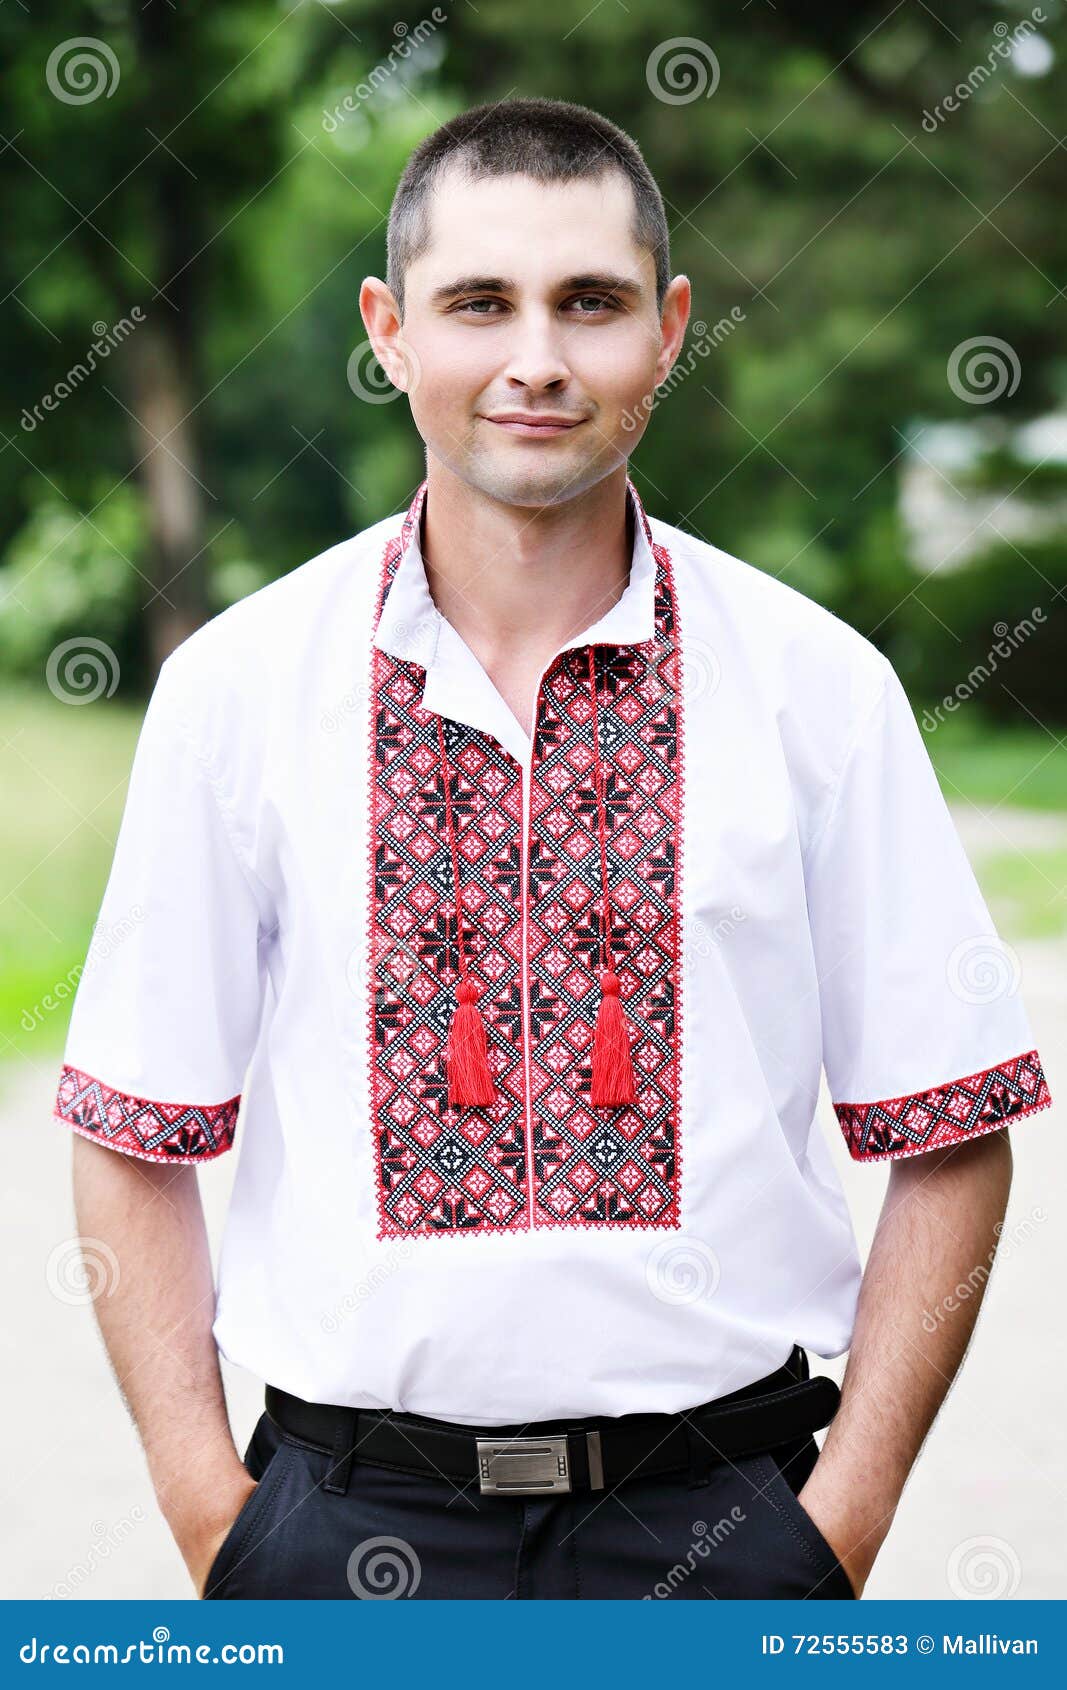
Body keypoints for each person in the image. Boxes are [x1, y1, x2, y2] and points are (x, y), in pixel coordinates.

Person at [54, 97, 1052, 1602]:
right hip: (341, 1533)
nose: (536, 357)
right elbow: (133, 1128)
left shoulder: (814, 685)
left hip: (725, 1522)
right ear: (390, 331)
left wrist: (836, 1522)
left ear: (668, 328)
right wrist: (218, 1515)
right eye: (479, 303)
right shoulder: (241, 690)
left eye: (589, 301)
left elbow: (953, 1131)